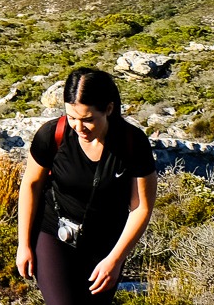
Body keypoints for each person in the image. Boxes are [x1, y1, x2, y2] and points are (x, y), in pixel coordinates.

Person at [15, 67, 157, 305]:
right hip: (54, 234)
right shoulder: (52, 134)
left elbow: (141, 207)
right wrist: (24, 244)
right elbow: (31, 185)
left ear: (109, 109)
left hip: (106, 244)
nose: (78, 127)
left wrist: (115, 260)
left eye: (88, 119)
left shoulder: (133, 143)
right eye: (72, 117)